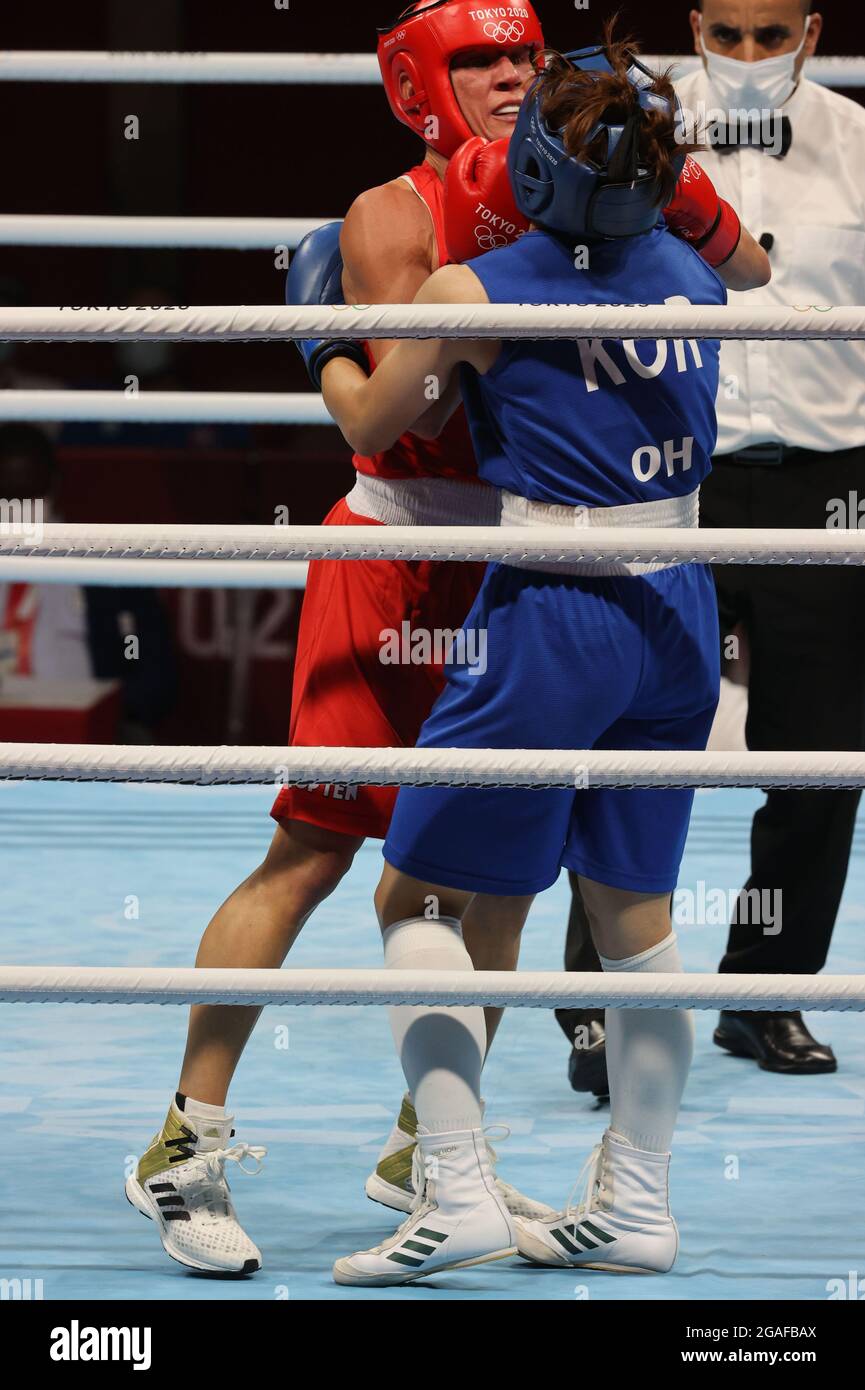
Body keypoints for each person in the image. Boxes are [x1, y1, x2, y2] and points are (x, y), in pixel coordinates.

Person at [316, 29, 771, 1284]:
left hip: (550, 613)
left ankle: (453, 1191)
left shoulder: (480, 288)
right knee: (633, 932)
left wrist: (331, 334)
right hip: (677, 612)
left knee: (413, 903)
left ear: (533, 170)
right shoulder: (695, 277)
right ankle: (634, 1205)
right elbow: (756, 258)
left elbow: (373, 415)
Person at [125, 0, 556, 1278]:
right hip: (397, 559)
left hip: (524, 565)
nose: (509, 77)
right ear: (426, 80)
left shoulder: (585, 198)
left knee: (498, 875)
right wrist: (418, 319)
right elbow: (384, 422)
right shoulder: (389, 215)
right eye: (478, 59)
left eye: (524, 53)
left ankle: (434, 1147)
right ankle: (181, 1146)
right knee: (309, 852)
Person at [561, 0, 865, 1084]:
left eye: (766, 34)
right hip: (662, 473)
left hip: (827, 480)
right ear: (692, 26)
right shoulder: (630, 129)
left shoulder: (857, 145)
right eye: (725, 32)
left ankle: (761, 992)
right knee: (625, 746)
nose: (744, 55)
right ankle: (598, 1006)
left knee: (820, 757)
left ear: (809, 30)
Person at [0, 424, 176, 739]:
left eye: (30, 494)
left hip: (79, 738)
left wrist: (110, 715)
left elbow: (154, 672)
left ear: (54, 484)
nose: (20, 509)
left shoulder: (105, 566)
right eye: (7, 496)